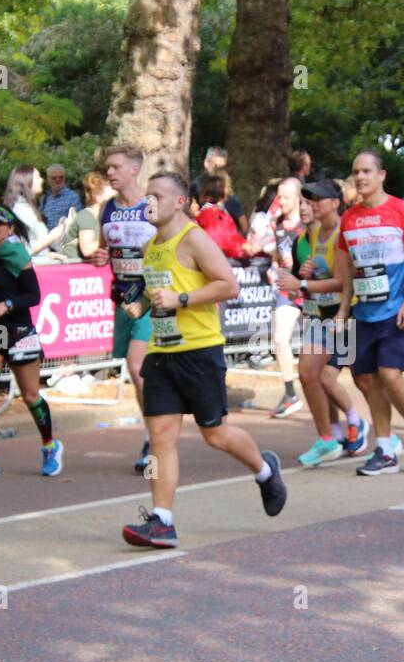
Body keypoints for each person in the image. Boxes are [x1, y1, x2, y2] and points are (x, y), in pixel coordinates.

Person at [119, 171, 287, 547]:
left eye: (158, 196)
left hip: (199, 351)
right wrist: (140, 304)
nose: (149, 202)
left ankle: (264, 471)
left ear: (180, 202)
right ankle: (162, 520)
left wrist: (180, 300)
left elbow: (229, 284)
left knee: (215, 435)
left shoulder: (194, 238)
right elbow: (157, 291)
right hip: (162, 353)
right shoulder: (152, 246)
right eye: (147, 195)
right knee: (160, 436)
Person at [334, 150, 404, 475]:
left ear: (381, 175)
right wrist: (344, 309)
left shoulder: (402, 210)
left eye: (366, 171)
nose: (360, 177)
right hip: (364, 311)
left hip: (396, 309)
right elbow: (347, 268)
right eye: (356, 172)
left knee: (390, 374)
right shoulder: (349, 217)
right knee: (365, 378)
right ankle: (385, 449)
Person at [0, 204, 63, 480]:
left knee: (30, 395)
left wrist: (5, 305)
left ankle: (50, 446)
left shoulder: (16, 254)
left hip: (18, 331)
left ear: (10, 228)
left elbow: (34, 295)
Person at [277, 179, 367, 465]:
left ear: (335, 202)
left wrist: (302, 284)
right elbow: (317, 274)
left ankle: (355, 422)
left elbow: (342, 282)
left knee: (331, 377)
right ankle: (329, 437)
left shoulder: (342, 232)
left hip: (343, 314)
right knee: (308, 374)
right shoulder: (314, 234)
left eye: (317, 199)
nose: (312, 203)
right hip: (317, 314)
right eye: (309, 199)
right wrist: (307, 273)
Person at [89, 144, 156, 472]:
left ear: (134, 170)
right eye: (107, 168)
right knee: (137, 369)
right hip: (122, 298)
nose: (110, 173)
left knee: (137, 365)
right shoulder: (107, 208)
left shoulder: (154, 204)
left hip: (152, 297)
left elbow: (182, 241)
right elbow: (104, 249)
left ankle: (155, 439)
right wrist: (100, 257)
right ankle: (156, 429)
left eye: (115, 167)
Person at [267, 177, 306, 418]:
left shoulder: (308, 223)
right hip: (286, 292)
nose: (281, 201)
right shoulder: (277, 224)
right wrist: (273, 269)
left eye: (286, 197)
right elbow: (275, 255)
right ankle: (290, 393)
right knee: (280, 339)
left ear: (298, 198)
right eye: (279, 196)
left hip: (311, 290)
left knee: (325, 351)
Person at [4, 165, 68, 265]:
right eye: (38, 177)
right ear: (27, 181)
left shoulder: (27, 207)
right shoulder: (20, 209)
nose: (42, 180)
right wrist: (53, 236)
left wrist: (49, 255)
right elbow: (24, 250)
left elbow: (33, 245)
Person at [196, 175, 245, 258]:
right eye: (225, 187)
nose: (228, 190)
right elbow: (218, 239)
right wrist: (241, 249)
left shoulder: (215, 210)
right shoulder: (211, 213)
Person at [40, 164, 84, 242]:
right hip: (47, 243)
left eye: (61, 177)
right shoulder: (44, 198)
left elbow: (79, 223)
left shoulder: (72, 197)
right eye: (54, 178)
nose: (58, 180)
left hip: (65, 243)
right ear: (48, 180)